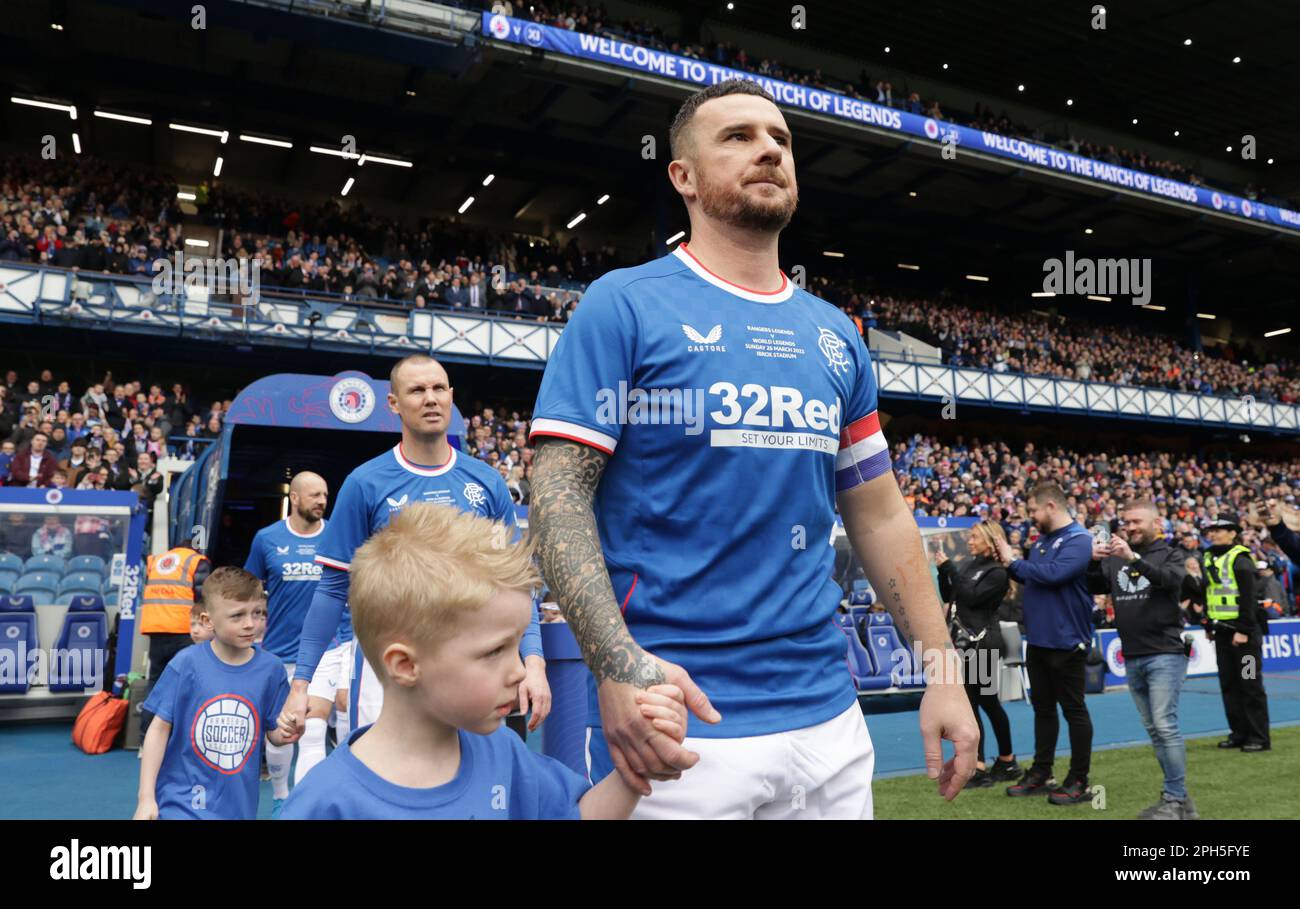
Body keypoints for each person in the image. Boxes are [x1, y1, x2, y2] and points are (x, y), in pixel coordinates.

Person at [527, 80, 978, 819]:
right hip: (679, 721)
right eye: (736, 137)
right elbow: (556, 495)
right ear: (683, 177)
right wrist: (614, 661)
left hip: (831, 722)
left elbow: (879, 513)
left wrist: (941, 670)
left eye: (781, 139)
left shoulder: (836, 335)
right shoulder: (625, 303)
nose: (769, 148)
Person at [280, 503, 689, 819]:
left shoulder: (502, 752)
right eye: (495, 651)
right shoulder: (326, 802)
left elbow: (579, 813)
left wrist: (636, 772)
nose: (518, 670)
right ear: (405, 665)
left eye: (517, 646)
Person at [288, 356, 550, 740]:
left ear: (451, 397)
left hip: (476, 667)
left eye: (438, 388)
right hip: (391, 670)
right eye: (417, 390)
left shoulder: (486, 483)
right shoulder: (365, 484)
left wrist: (535, 663)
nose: (431, 399)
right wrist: (301, 684)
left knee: (477, 789)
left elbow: (516, 584)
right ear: (394, 403)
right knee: (385, 790)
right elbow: (331, 590)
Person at [135, 568, 299, 820]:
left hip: (238, 806)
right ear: (207, 621)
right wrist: (146, 798)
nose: (250, 624)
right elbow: (158, 729)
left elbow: (273, 733)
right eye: (237, 616)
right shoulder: (185, 664)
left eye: (258, 613)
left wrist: (287, 731)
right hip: (181, 802)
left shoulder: (272, 670)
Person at [1087, 500, 1197, 820]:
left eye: (1137, 521)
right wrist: (1093, 561)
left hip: (1165, 651)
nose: (1131, 527)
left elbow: (1171, 581)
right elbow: (1092, 584)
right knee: (1154, 729)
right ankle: (1180, 802)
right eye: (1126, 522)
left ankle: (1174, 799)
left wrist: (1132, 558)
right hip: (1132, 653)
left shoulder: (1172, 553)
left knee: (1165, 725)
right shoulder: (1116, 557)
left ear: (1156, 522)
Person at [993, 482, 1095, 804]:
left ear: (1051, 505)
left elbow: (1053, 574)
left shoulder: (1079, 540)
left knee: (1074, 711)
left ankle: (1079, 778)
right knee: (1043, 710)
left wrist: (1013, 562)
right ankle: (1042, 772)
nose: (1031, 517)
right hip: (1038, 640)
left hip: (1067, 641)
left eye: (1034, 510)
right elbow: (1031, 575)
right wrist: (1012, 564)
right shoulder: (1040, 543)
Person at [243, 471, 328, 815]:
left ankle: (305, 807)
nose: (322, 501)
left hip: (327, 651)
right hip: (278, 652)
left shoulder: (338, 535)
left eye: (325, 495)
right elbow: (248, 590)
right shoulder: (267, 539)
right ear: (294, 498)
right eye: (314, 495)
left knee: (313, 732)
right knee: (281, 733)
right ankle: (280, 794)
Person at [935, 522, 1020, 788]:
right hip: (965, 644)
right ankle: (981, 764)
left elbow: (971, 597)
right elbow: (951, 594)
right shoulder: (971, 566)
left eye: (973, 537)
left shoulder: (997, 573)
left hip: (983, 643)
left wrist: (950, 568)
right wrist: (942, 572)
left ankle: (1005, 760)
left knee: (987, 703)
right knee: (972, 705)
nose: (969, 541)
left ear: (988, 540)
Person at [1198, 513, 1271, 752]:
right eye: (1213, 530)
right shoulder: (1208, 557)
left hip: (1244, 637)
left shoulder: (1240, 558)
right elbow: (1208, 593)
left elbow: (1249, 598)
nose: (1215, 533)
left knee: (1250, 684)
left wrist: (1244, 630)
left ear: (1233, 533)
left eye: (1222, 529)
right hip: (1221, 633)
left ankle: (1259, 737)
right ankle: (1238, 733)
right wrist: (1208, 625)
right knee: (1229, 684)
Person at [138, 543, 211, 743]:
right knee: (187, 683)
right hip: (183, 629)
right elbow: (204, 597)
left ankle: (146, 737)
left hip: (156, 629)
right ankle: (182, 738)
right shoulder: (195, 561)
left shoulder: (156, 561)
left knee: (156, 683)